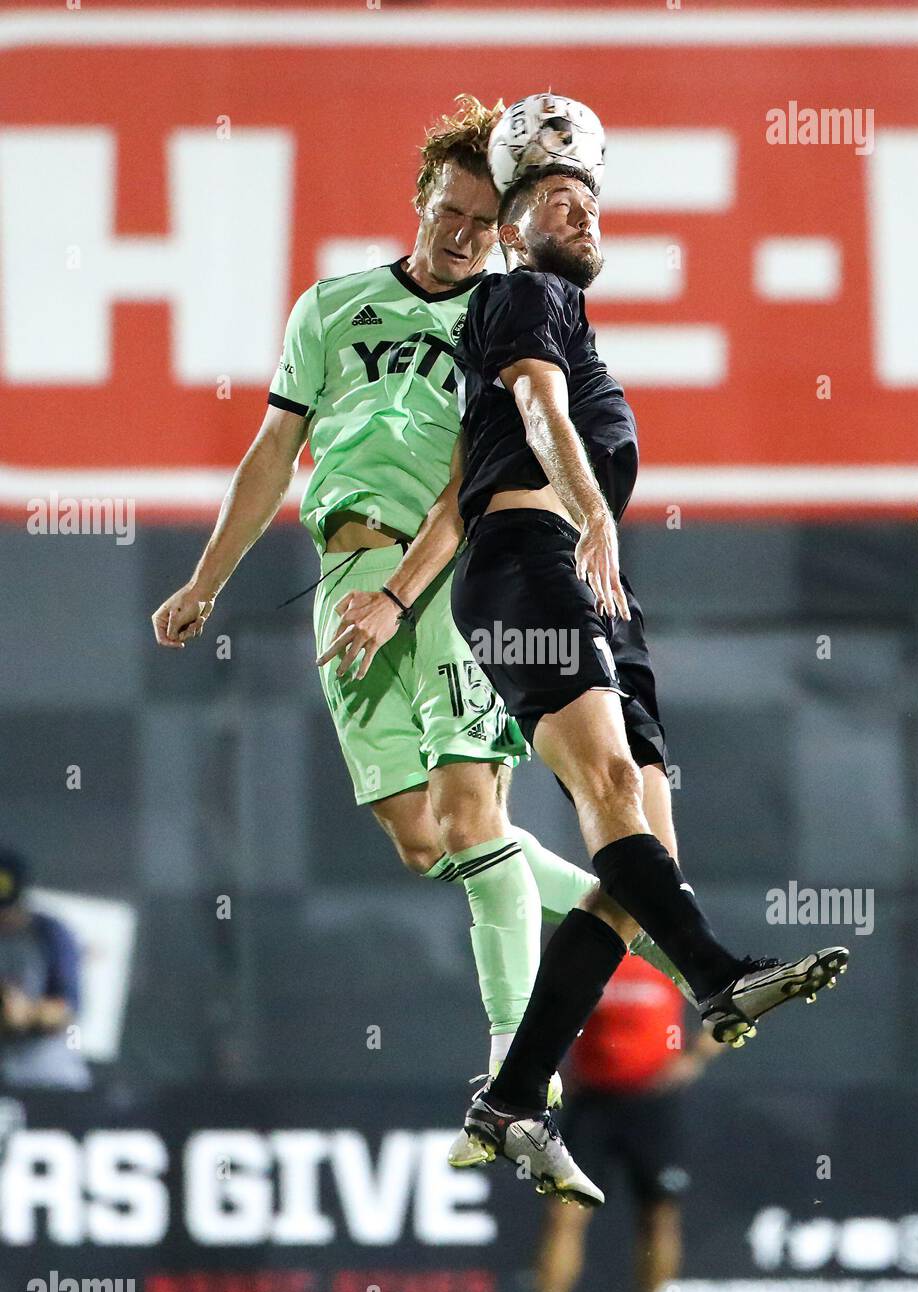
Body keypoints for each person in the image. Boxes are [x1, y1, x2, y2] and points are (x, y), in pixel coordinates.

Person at [329, 161, 849, 1204]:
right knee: (608, 792)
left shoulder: (564, 313)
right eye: (556, 199)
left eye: (592, 198)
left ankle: (513, 1097)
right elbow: (532, 408)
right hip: (532, 557)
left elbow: (495, 451)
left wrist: (578, 533)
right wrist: (593, 509)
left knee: (636, 867)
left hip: (589, 580)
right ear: (516, 233)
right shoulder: (524, 292)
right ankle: (716, 973)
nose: (583, 211)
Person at [151, 96, 680, 1096]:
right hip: (345, 574)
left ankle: (517, 1076)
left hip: (443, 574)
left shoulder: (503, 315)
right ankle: (644, 908)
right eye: (452, 209)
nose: (464, 233)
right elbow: (275, 450)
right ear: (423, 198)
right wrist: (206, 580)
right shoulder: (332, 307)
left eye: (486, 221)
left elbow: (474, 479)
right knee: (421, 834)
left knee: (474, 815)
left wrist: (405, 591)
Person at [534, 952, 723, 1292]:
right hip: (592, 1104)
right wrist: (553, 1067)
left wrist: (695, 1058)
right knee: (565, 1212)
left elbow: (732, 1005)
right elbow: (543, 1011)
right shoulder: (588, 949)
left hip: (654, 1102)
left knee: (659, 1214)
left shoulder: (669, 954)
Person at [0, 848, 91, 1090]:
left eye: (7, 909)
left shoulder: (49, 934)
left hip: (47, 1078)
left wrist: (25, 1014)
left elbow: (68, 1011)